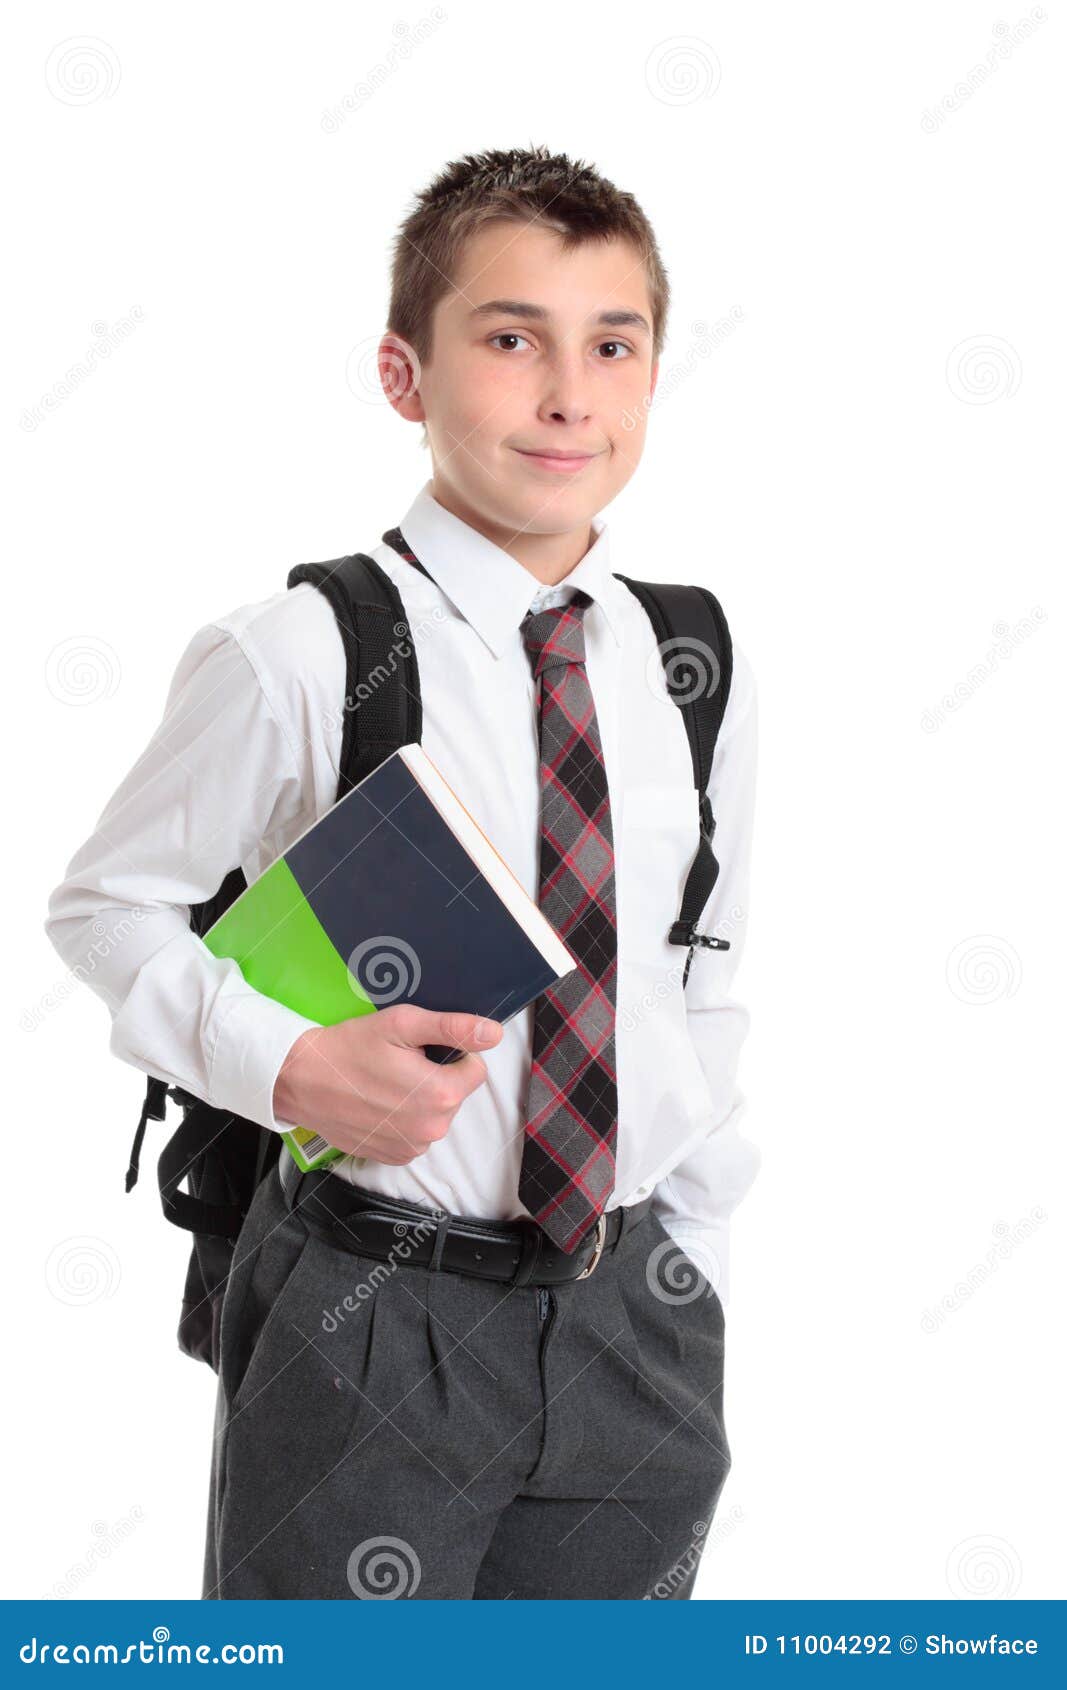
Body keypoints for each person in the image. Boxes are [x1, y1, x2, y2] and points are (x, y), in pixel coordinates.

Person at [43, 144, 760, 1600]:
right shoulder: (308, 649)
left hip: (637, 1316)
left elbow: (706, 961)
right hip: (376, 1309)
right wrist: (291, 1065)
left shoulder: (692, 660)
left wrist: (694, 1249)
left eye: (611, 345)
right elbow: (105, 906)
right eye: (511, 339)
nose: (568, 392)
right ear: (403, 375)